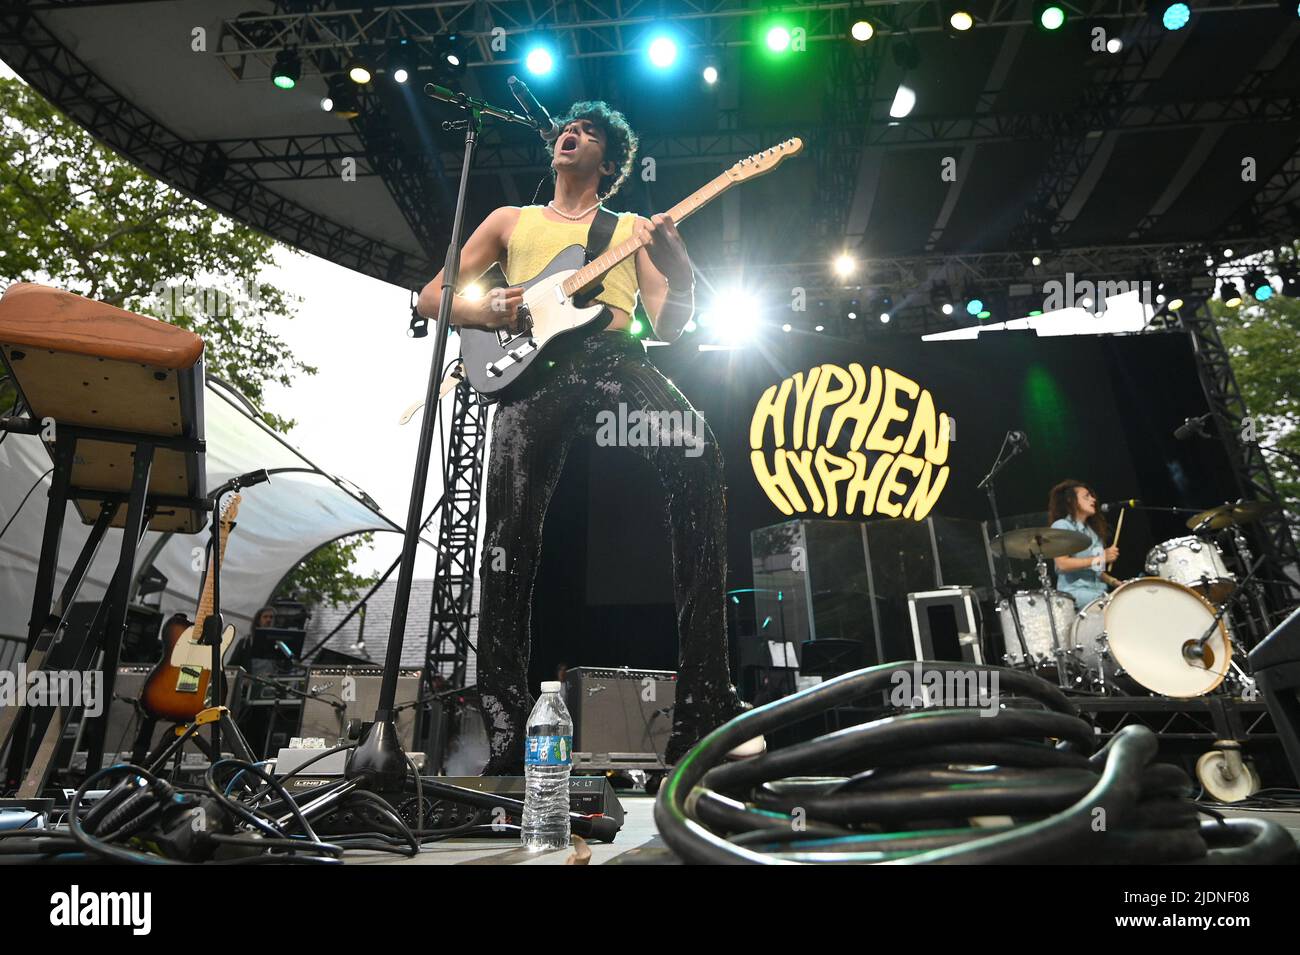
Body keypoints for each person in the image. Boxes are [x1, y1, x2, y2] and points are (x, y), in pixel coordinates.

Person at [417, 100, 758, 775]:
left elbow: (668, 326)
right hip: (528, 373)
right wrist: (482, 305)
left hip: (611, 363)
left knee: (698, 453)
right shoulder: (510, 221)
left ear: (610, 161)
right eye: (566, 129)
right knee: (506, 538)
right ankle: (507, 728)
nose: (571, 135)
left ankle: (703, 707)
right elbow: (432, 295)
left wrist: (678, 259)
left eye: (589, 132)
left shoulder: (631, 227)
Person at [1048, 480, 1121, 609]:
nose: (1093, 499)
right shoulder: (1062, 525)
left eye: (1092, 496)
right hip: (1076, 595)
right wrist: (1101, 558)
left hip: (1099, 593)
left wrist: (1115, 582)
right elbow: (1062, 565)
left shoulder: (1094, 533)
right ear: (1071, 500)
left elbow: (1097, 571)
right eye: (1086, 496)